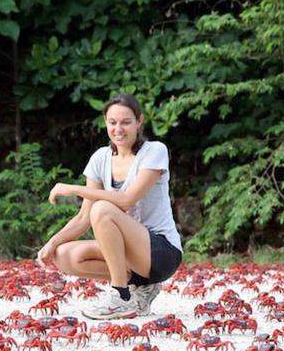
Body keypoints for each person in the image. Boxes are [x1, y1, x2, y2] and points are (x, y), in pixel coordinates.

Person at [36, 93, 182, 319]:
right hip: (129, 255)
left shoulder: (155, 151)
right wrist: (51, 242)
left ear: (139, 121)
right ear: (105, 123)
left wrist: (74, 189)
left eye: (126, 122)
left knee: (102, 209)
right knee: (63, 254)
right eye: (112, 123)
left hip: (161, 252)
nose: (118, 129)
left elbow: (126, 200)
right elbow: (84, 218)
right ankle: (140, 288)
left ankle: (120, 296)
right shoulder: (100, 158)